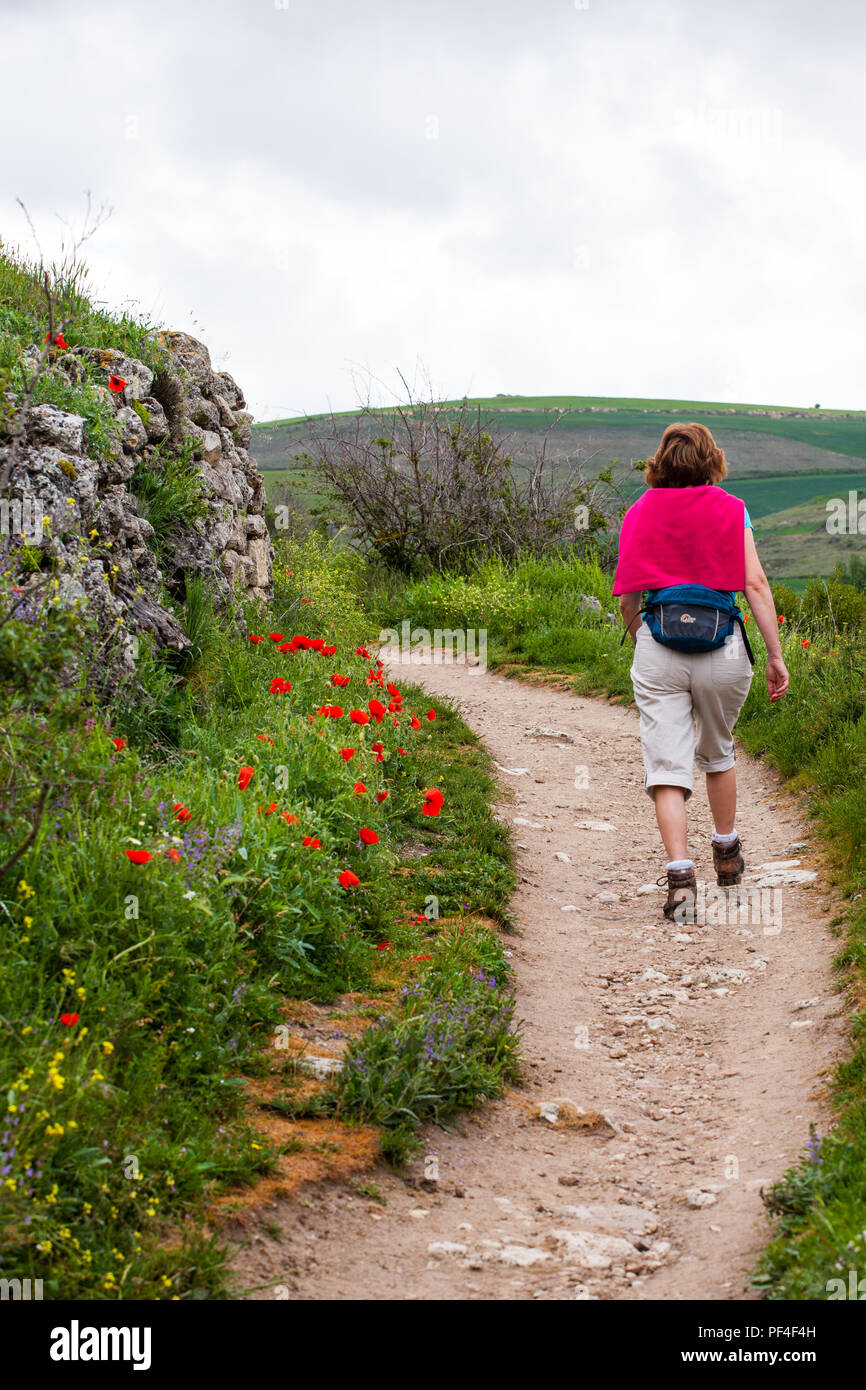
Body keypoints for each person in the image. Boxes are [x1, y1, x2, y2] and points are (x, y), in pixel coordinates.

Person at [613, 422, 790, 920]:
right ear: (712, 460)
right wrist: (775, 655)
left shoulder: (639, 510)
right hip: (724, 647)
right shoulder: (733, 509)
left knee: (666, 768)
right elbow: (754, 582)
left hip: (659, 643)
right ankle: (727, 849)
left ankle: (681, 877)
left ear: (660, 462)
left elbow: (626, 591)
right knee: (717, 750)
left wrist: (641, 639)